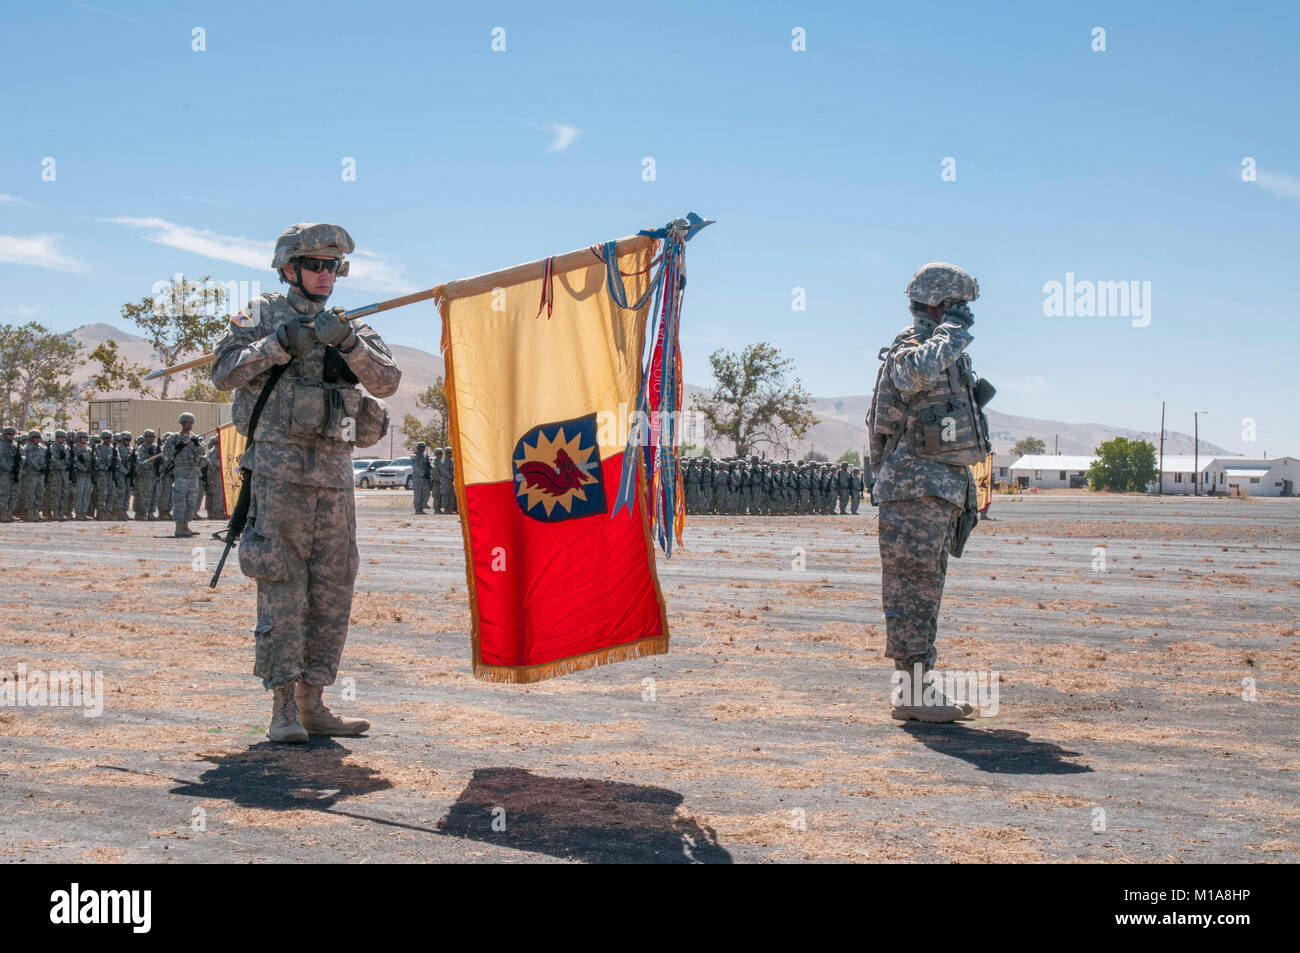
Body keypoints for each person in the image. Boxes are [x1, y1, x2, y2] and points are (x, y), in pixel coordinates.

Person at [212, 222, 400, 744]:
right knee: (282, 585)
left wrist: (350, 344)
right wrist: (275, 345)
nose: (327, 274)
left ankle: (314, 700)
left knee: (334, 588)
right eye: (316, 265)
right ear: (289, 269)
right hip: (278, 474)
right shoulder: (260, 315)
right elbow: (223, 372)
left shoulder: (349, 323)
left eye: (335, 266)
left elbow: (387, 381)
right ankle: (281, 710)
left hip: (336, 479)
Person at [868, 262, 992, 723]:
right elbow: (913, 375)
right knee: (912, 595)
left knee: (925, 594)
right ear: (940, 302)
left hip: (937, 487)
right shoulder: (914, 343)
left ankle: (916, 693)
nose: (965, 314)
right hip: (914, 488)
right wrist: (953, 332)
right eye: (959, 306)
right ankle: (913, 695)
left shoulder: (944, 347)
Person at [163, 414, 205, 538]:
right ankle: (179, 527)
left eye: (191, 423)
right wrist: (176, 448)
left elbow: (203, 452)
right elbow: (166, 453)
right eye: (187, 422)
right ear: (182, 423)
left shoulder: (196, 438)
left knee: (191, 502)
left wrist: (197, 444)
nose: (190, 425)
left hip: (193, 473)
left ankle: (186, 525)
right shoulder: (174, 438)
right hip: (181, 473)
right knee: (179, 501)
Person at [411, 442, 432, 513]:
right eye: (421, 447)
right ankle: (418, 509)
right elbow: (415, 467)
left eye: (424, 447)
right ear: (418, 448)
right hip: (418, 478)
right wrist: (421, 474)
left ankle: (422, 506)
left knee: (426, 493)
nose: (423, 448)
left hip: (425, 478)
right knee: (418, 494)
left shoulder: (425, 456)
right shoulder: (415, 456)